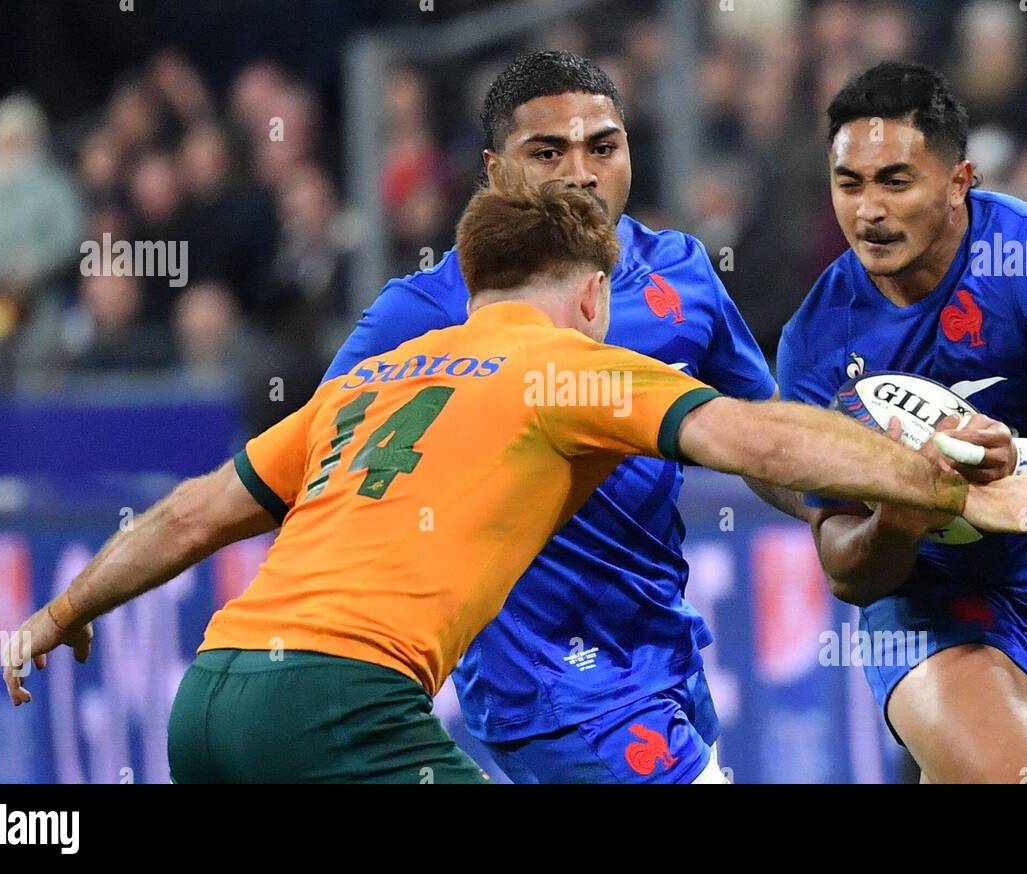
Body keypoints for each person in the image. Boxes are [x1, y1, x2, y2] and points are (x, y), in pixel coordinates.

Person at [2, 173, 1027, 784]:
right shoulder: (568, 368)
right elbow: (766, 439)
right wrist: (952, 490)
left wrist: (62, 608)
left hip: (210, 698)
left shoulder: (370, 382)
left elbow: (196, 510)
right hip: (336, 703)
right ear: (589, 294)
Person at [324, 50, 790, 783]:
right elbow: (325, 460)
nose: (582, 172)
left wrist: (864, 510)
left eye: (604, 147)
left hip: (664, 655)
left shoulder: (683, 274)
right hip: (544, 681)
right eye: (548, 152)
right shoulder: (423, 309)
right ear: (494, 168)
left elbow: (765, 441)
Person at [777, 62, 1027, 784]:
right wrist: (905, 510)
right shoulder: (816, 343)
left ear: (960, 181)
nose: (868, 211)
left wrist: (1017, 461)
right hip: (935, 611)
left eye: (896, 181)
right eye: (850, 183)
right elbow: (844, 565)